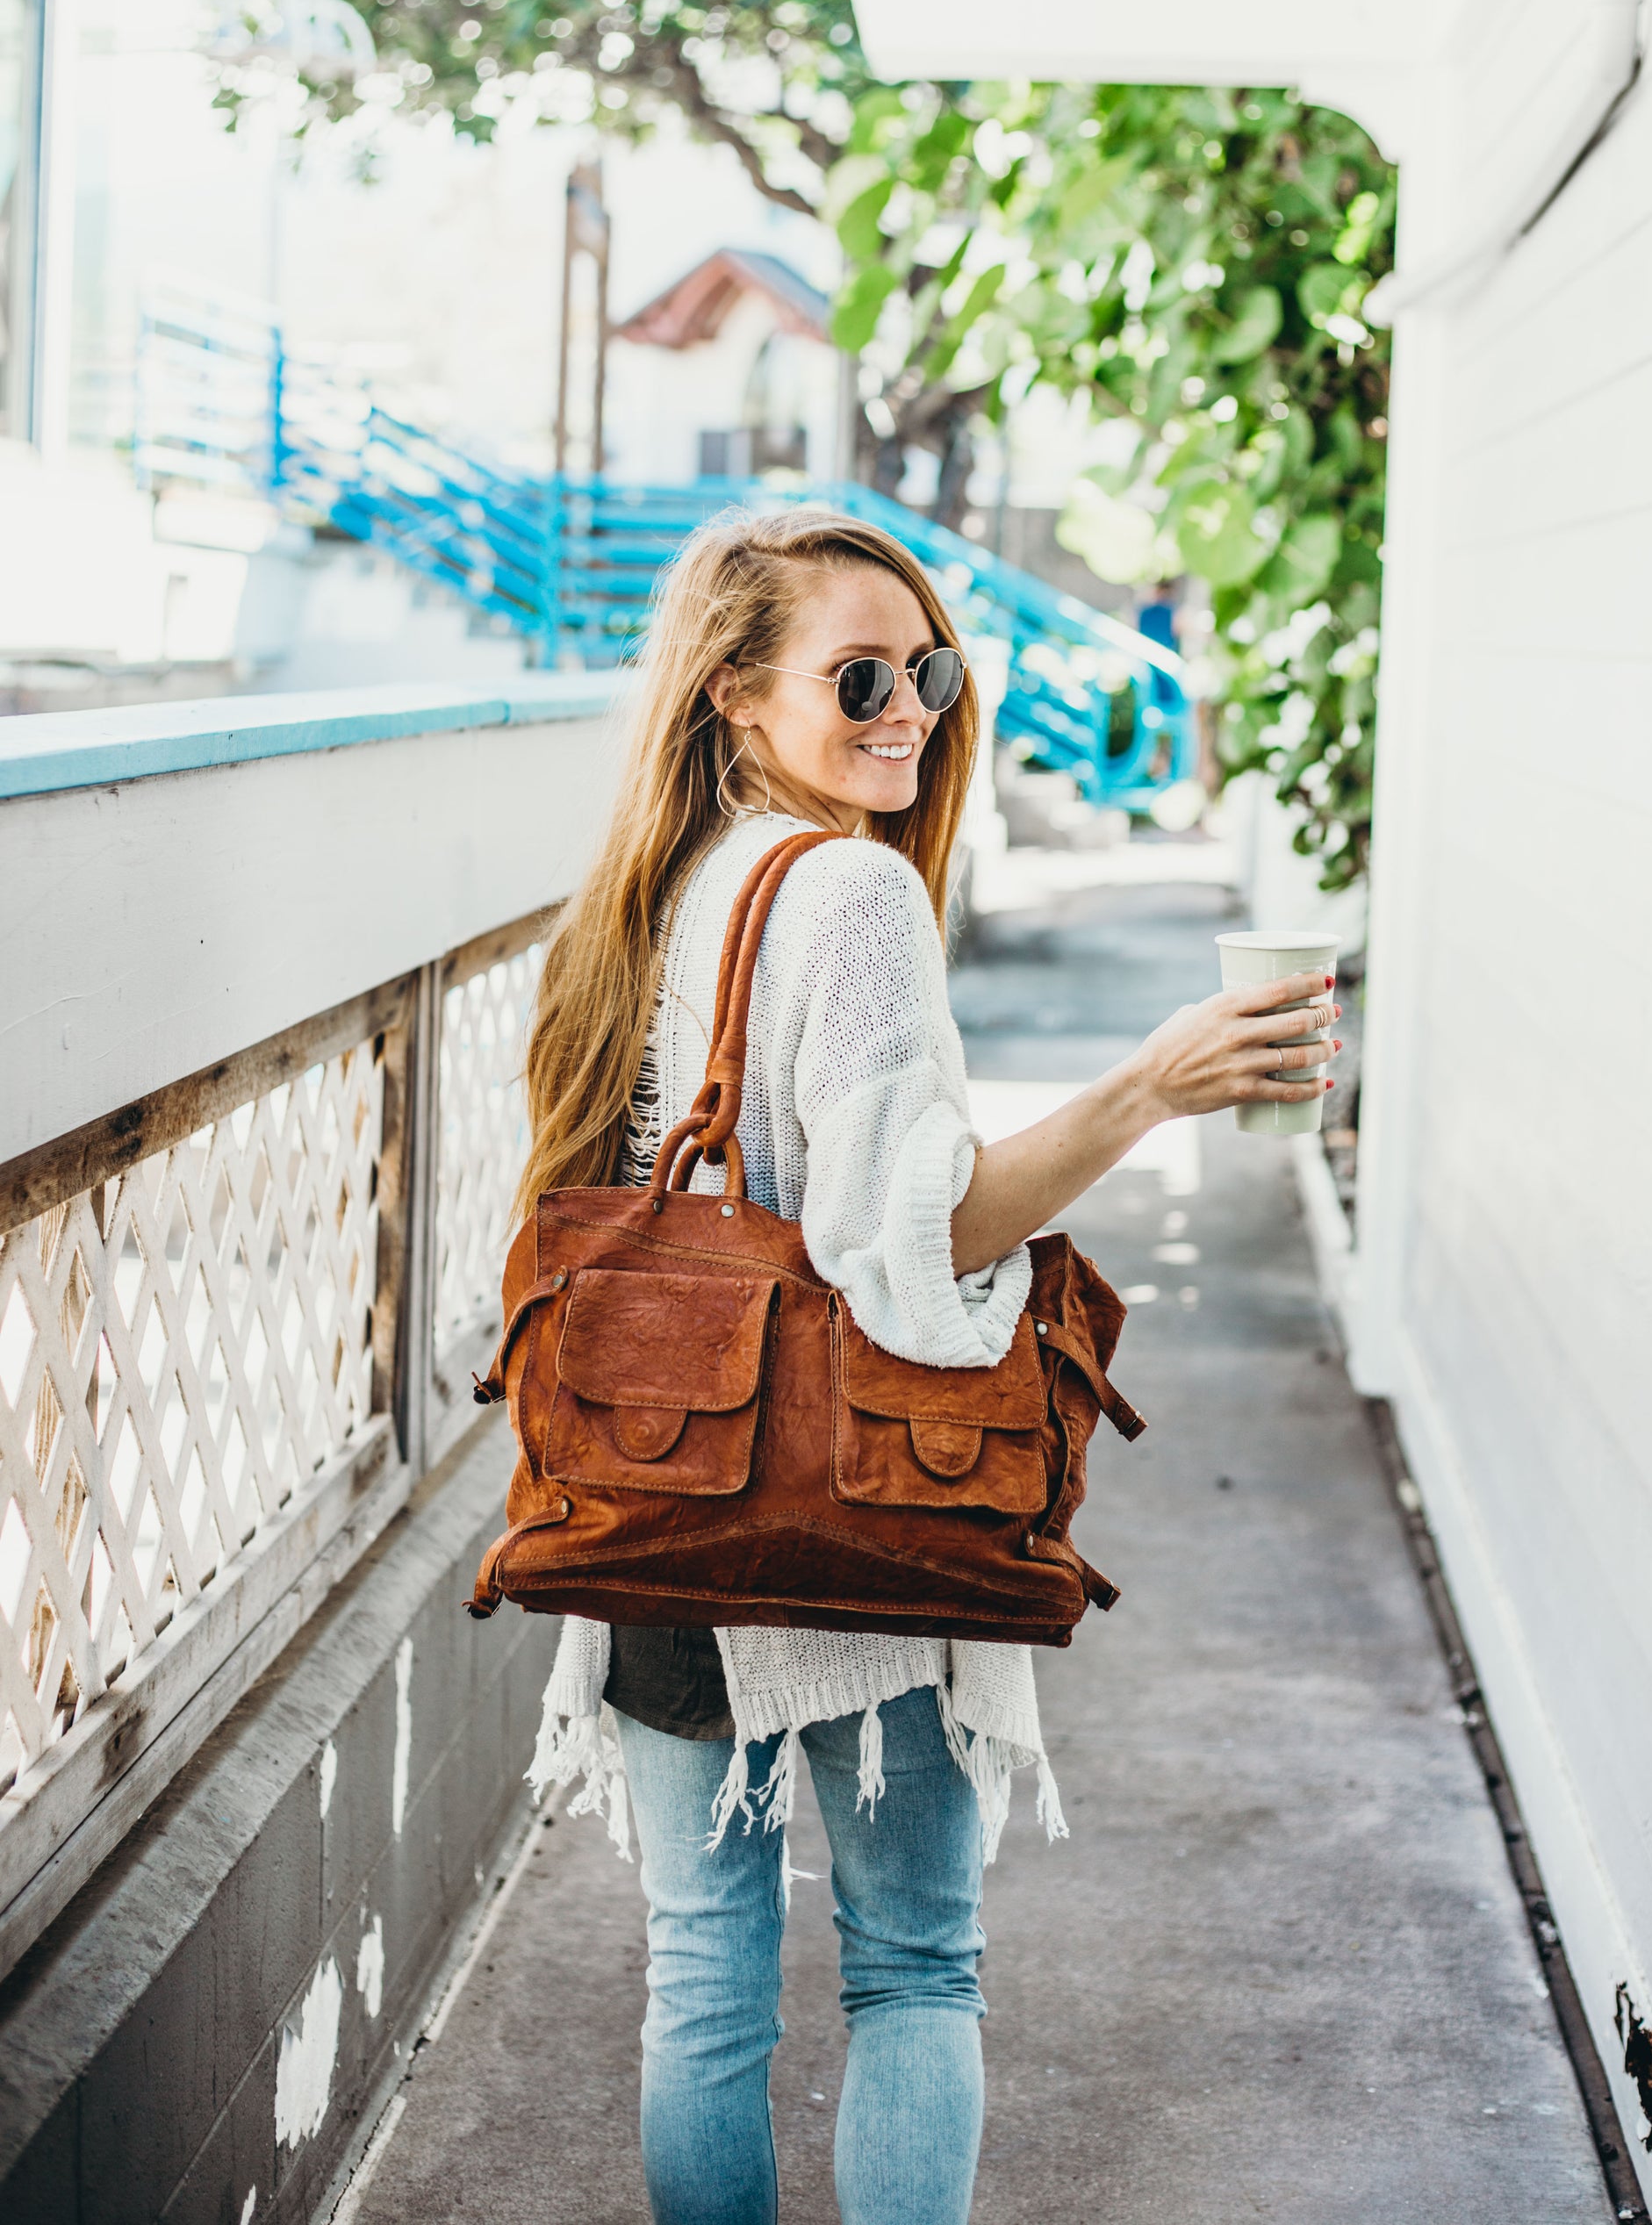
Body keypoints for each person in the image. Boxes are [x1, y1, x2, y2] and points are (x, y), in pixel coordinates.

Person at [514, 509, 1338, 2225]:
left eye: (934, 672)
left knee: (703, 1982)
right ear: (735, 696)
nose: (912, 710)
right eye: (862, 677)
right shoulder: (856, 893)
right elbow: (922, 1236)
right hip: (856, 1503)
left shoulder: (650, 890)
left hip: (660, 1492)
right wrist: (1145, 1091)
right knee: (908, 1969)